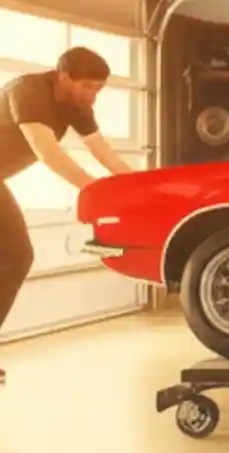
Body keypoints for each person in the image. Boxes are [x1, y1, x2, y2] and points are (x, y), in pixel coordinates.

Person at [0, 47, 132, 384]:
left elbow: (106, 154)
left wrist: (140, 187)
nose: (93, 96)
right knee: (16, 256)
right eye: (87, 86)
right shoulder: (28, 91)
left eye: (99, 89)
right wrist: (95, 190)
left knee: (18, 258)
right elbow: (49, 153)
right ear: (64, 77)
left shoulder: (77, 105)